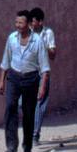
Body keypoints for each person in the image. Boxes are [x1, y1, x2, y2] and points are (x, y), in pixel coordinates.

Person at [0, 9, 49, 152]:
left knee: (28, 113)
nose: (18, 25)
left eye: (21, 22)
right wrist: (2, 81)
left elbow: (45, 68)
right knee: (10, 108)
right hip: (13, 77)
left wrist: (42, 87)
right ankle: (11, 146)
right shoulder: (12, 38)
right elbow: (6, 61)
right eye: (16, 22)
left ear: (28, 24)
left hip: (31, 80)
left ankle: (27, 147)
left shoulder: (38, 41)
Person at [29, 7, 56, 143]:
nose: (31, 24)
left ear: (40, 22)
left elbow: (53, 55)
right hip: (28, 72)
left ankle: (35, 134)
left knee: (40, 102)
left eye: (33, 21)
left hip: (42, 72)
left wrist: (43, 47)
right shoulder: (28, 34)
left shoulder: (48, 33)